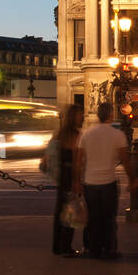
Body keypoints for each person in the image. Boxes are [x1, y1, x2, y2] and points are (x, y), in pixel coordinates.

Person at [76, 102, 129, 259]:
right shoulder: (117, 134)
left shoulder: (86, 134)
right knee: (109, 218)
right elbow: (125, 160)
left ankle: (93, 249)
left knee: (93, 217)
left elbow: (78, 161)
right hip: (108, 182)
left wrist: (77, 181)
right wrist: (133, 180)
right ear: (111, 115)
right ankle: (110, 249)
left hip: (89, 182)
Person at [52, 104, 87, 256]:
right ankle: (66, 247)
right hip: (70, 175)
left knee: (60, 211)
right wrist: (77, 181)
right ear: (74, 117)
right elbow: (76, 160)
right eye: (81, 115)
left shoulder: (60, 134)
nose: (83, 118)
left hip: (61, 175)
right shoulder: (75, 135)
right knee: (71, 210)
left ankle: (57, 246)